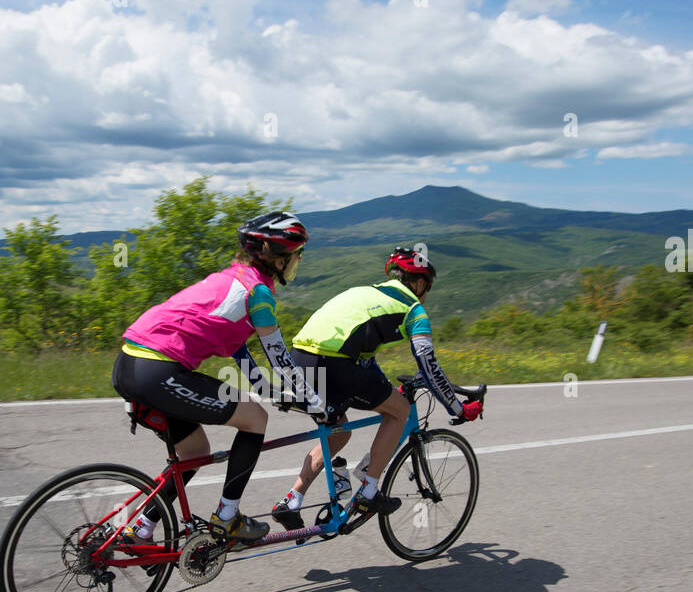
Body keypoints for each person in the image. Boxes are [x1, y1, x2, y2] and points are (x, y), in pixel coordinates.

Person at [112, 210, 328, 544]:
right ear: (276, 257)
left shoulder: (233, 278)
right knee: (255, 419)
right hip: (157, 369)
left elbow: (237, 347)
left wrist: (268, 389)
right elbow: (279, 357)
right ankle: (227, 518)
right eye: (294, 255)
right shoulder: (258, 292)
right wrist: (315, 402)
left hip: (129, 364)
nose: (296, 262)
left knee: (194, 451)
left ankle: (140, 529)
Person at [272, 246, 483, 527]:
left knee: (338, 432)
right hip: (334, 364)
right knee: (400, 411)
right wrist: (458, 408)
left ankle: (292, 500)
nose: (427, 294)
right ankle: (369, 492)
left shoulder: (366, 293)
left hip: (298, 359)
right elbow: (428, 366)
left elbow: (364, 356)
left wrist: (386, 389)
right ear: (420, 283)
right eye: (428, 287)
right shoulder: (413, 310)